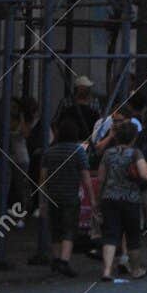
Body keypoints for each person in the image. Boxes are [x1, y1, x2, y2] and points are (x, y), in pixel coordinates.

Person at [41, 113, 94, 277]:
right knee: (69, 229)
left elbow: (42, 178)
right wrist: (92, 198)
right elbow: (85, 177)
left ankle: (56, 260)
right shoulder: (78, 152)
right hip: (71, 195)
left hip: (53, 195)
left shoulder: (49, 152)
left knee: (55, 229)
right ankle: (64, 261)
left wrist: (42, 201)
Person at [95, 121, 147, 282]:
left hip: (109, 197)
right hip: (130, 198)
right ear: (133, 137)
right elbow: (145, 175)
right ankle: (136, 269)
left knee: (110, 234)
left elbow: (101, 177)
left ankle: (106, 270)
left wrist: (98, 199)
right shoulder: (135, 153)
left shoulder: (108, 153)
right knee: (132, 235)